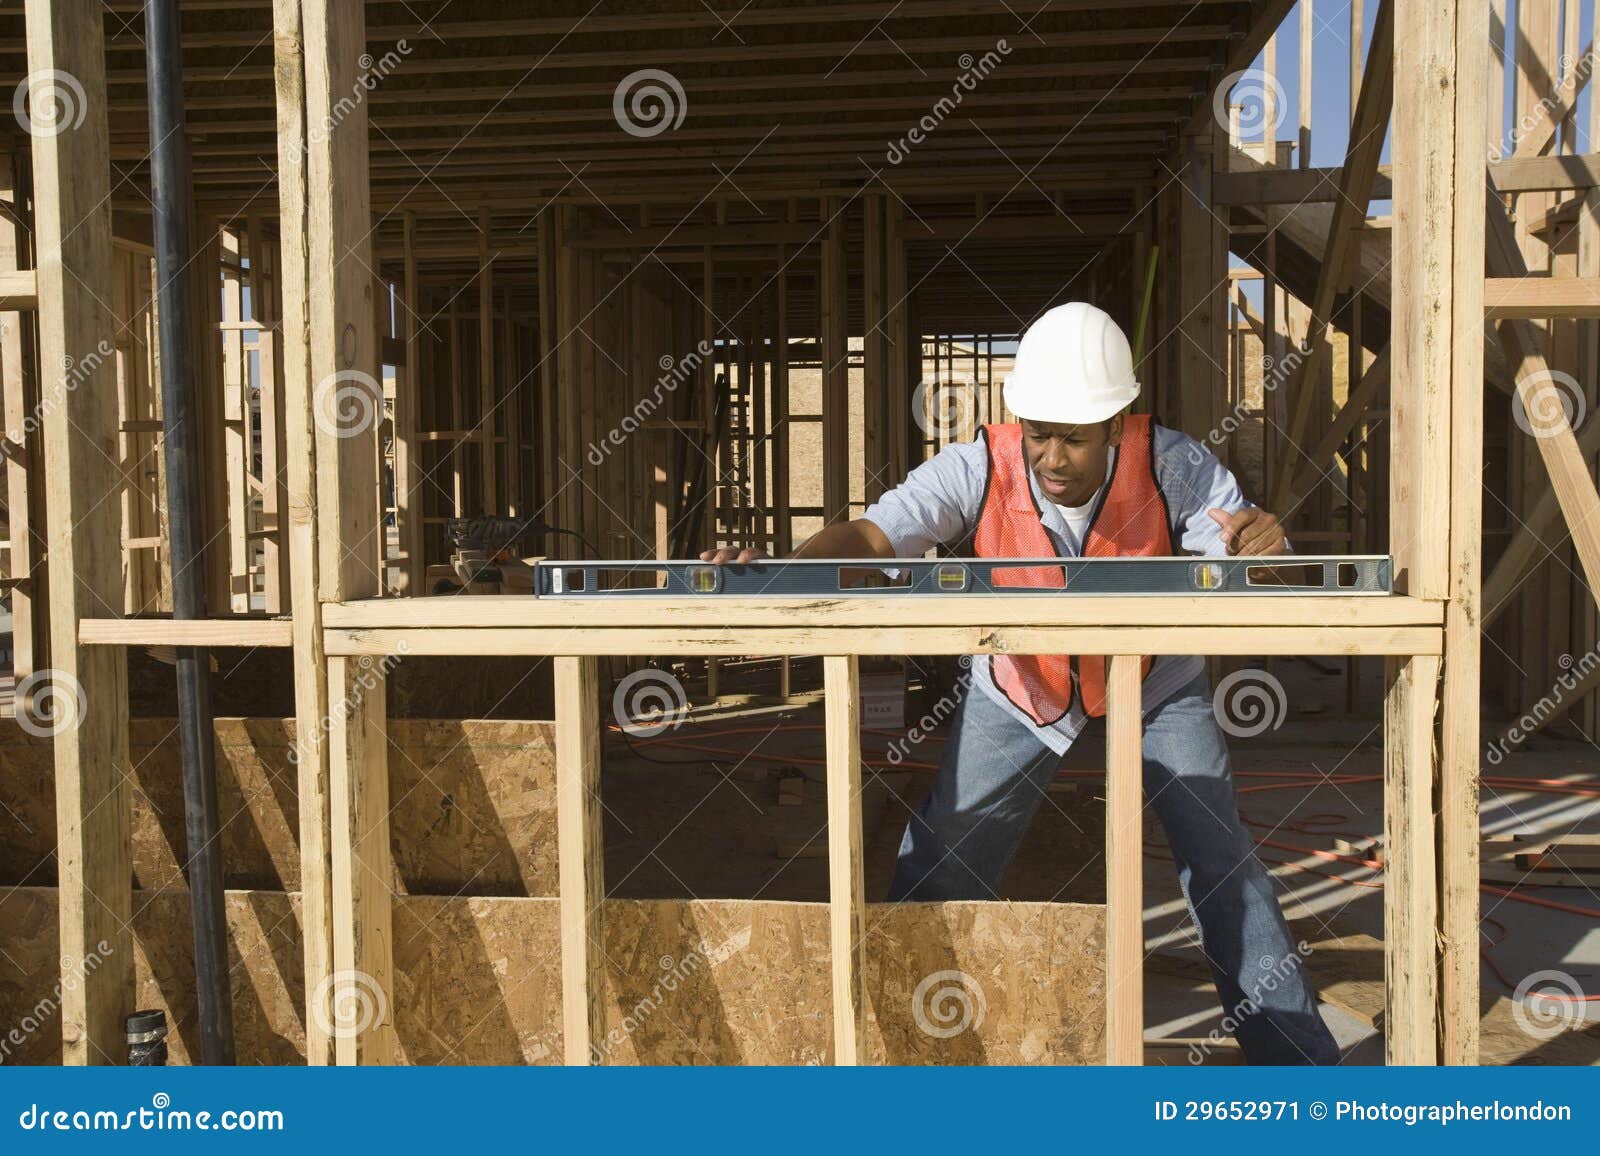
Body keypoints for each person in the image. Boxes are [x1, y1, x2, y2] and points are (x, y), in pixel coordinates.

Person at [702, 301, 1339, 1064]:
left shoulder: (1177, 465)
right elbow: (873, 537)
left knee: (1222, 860)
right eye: (1040, 434)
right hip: (1023, 686)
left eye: (1075, 438)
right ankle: (898, 1050)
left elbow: (1248, 557)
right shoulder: (979, 465)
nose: (1052, 458)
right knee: (946, 854)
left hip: (1154, 683)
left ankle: (1298, 1072)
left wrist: (1261, 548)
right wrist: (780, 568)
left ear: (1118, 423)